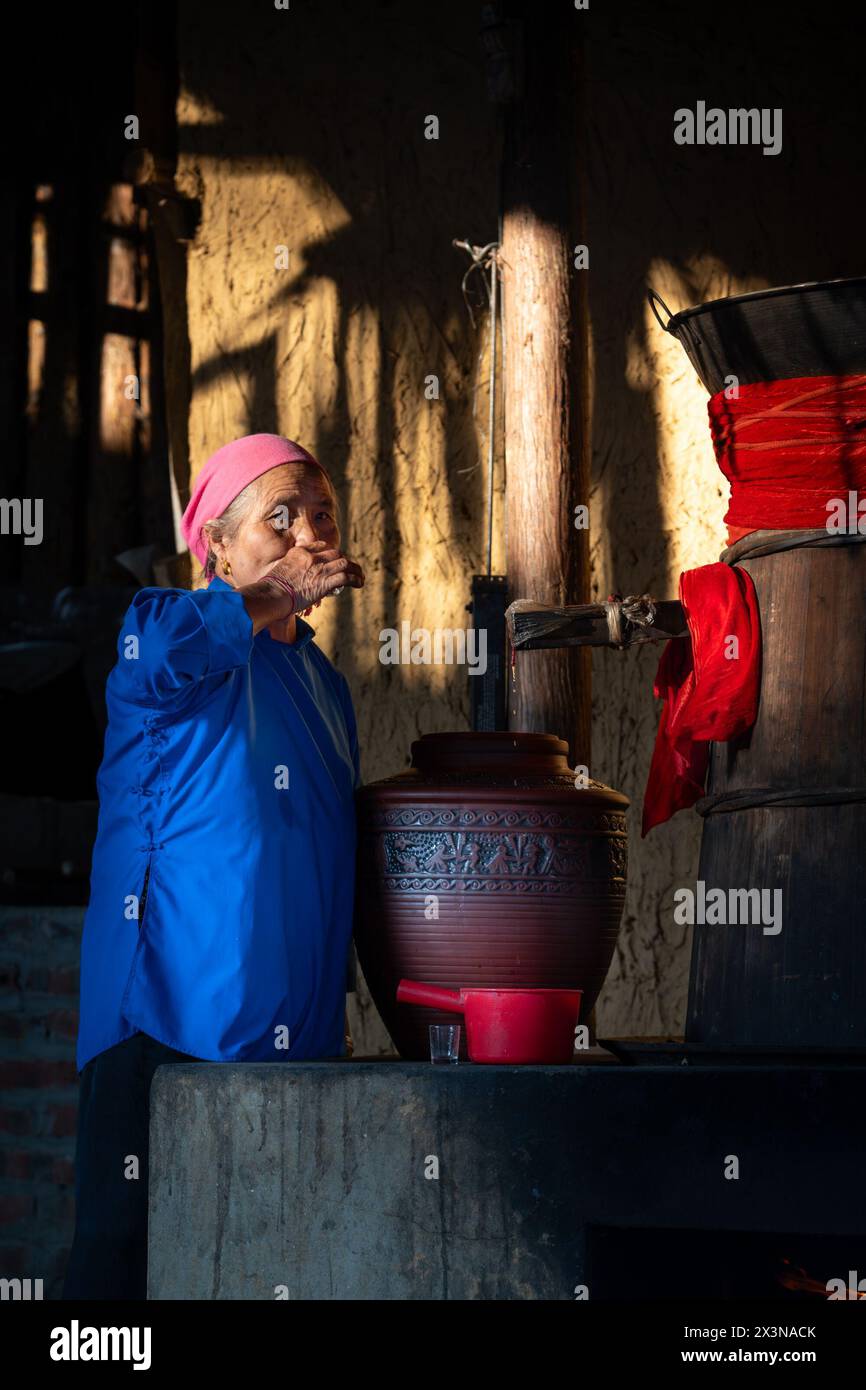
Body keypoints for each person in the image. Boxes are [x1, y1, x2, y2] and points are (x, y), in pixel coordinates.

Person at [62, 433, 365, 1299]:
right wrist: (274, 593)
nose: (310, 534)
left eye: (321, 515)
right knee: (121, 1280)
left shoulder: (322, 684)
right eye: (279, 519)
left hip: (290, 1044)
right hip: (162, 1022)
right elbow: (156, 656)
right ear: (220, 548)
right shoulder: (166, 634)